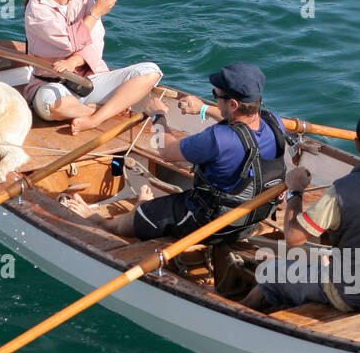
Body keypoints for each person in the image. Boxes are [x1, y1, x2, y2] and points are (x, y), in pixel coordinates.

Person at [241, 108, 360, 313]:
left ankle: (240, 315)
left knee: (270, 272)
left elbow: (294, 238)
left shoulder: (342, 192)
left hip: (352, 297)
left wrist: (295, 191)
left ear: (357, 144)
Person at [98, 62, 287, 242]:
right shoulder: (275, 123)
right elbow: (242, 125)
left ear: (233, 105)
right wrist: (203, 108)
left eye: (216, 96)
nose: (216, 100)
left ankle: (104, 222)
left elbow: (167, 151)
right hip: (249, 218)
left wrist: (158, 116)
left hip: (210, 223)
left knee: (142, 216)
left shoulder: (218, 138)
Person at [22, 0, 163, 134]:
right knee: (50, 104)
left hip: (89, 81)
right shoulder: (37, 9)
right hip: (52, 84)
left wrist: (74, 60)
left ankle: (95, 118)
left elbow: (95, 41)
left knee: (151, 72)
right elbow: (69, 41)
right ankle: (99, 109)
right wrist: (95, 13)